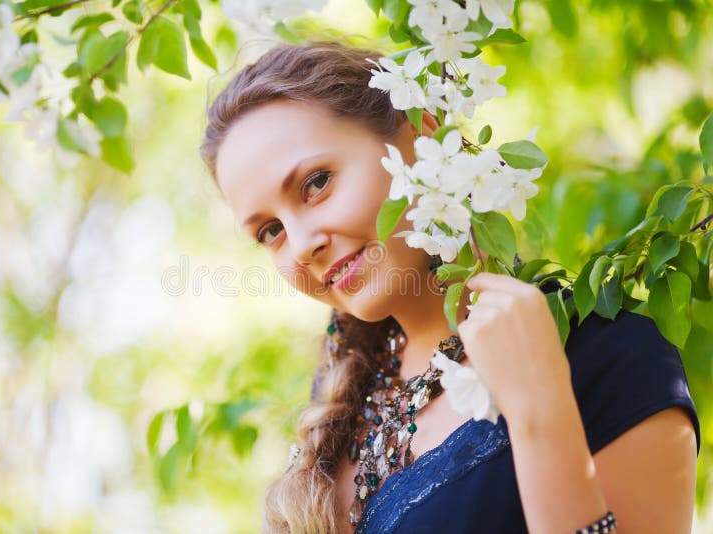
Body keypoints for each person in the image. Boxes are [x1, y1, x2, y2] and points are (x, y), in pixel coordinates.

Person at [199, 41, 701, 533]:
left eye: (316, 183)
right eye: (271, 231)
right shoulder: (343, 409)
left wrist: (538, 409)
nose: (303, 246)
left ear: (420, 135)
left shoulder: (610, 354)